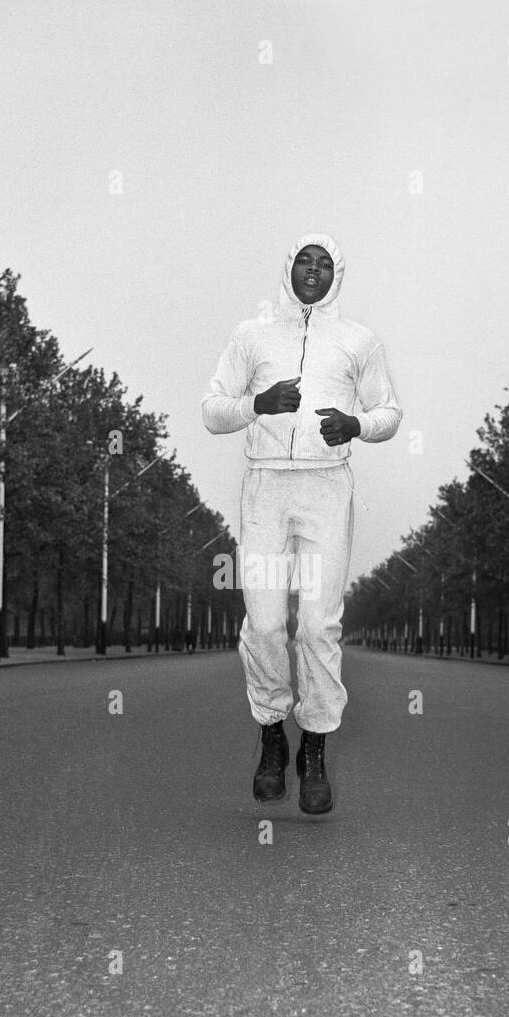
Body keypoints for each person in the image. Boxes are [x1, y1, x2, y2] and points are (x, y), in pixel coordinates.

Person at [202, 233, 402, 814]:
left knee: (317, 624)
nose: (311, 270)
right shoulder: (251, 336)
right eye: (302, 260)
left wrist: (357, 425)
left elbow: (389, 413)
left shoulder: (358, 341)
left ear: (337, 274)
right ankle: (271, 733)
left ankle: (313, 748)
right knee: (265, 622)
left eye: (323, 263)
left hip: (325, 487)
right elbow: (213, 410)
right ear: (286, 267)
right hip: (265, 486)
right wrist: (256, 406)